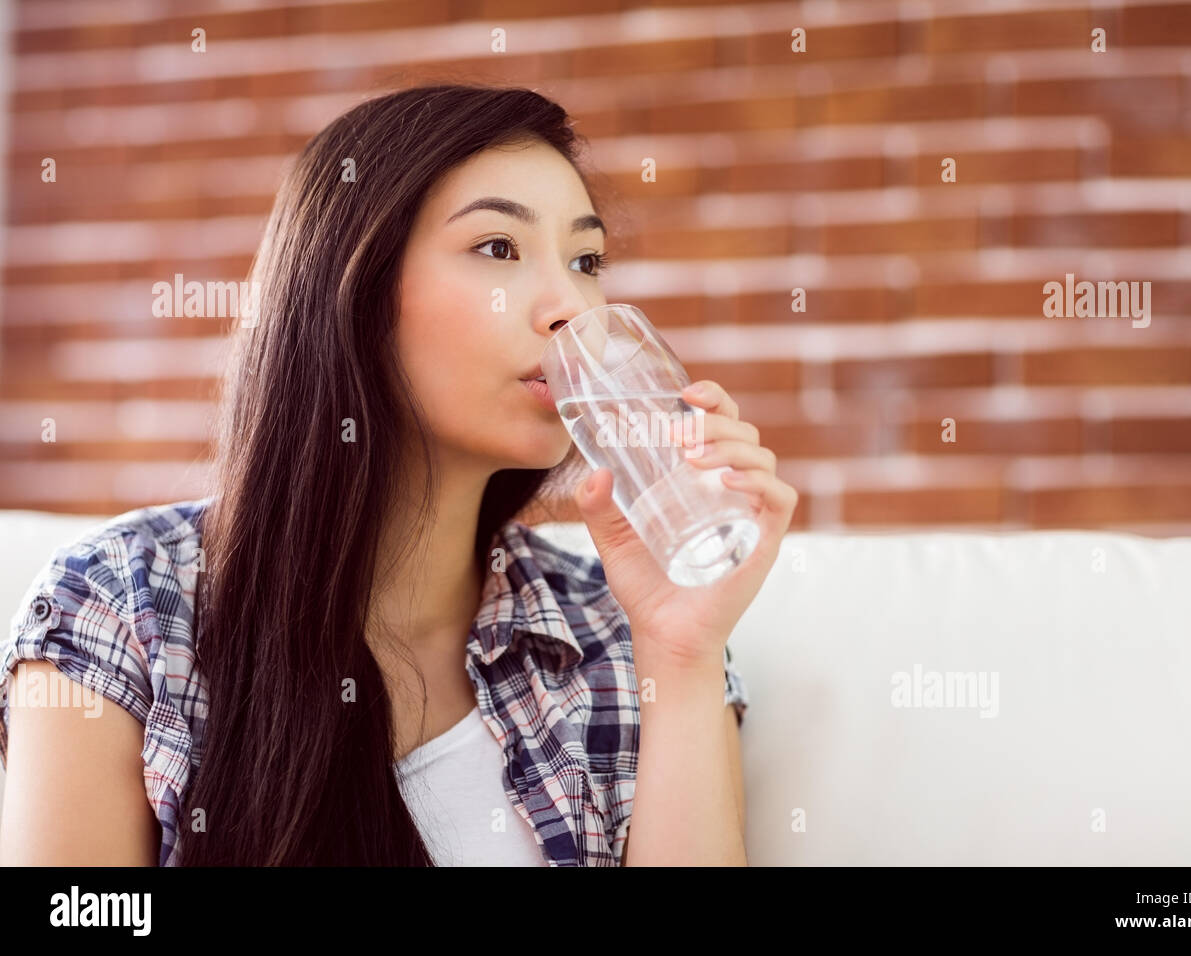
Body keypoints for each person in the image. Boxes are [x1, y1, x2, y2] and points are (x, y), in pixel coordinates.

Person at [0, 84, 797, 866]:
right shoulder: (124, 603)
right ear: (352, 291)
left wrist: (685, 660)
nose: (570, 308)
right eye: (498, 248)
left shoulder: (615, 640)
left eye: (586, 259)